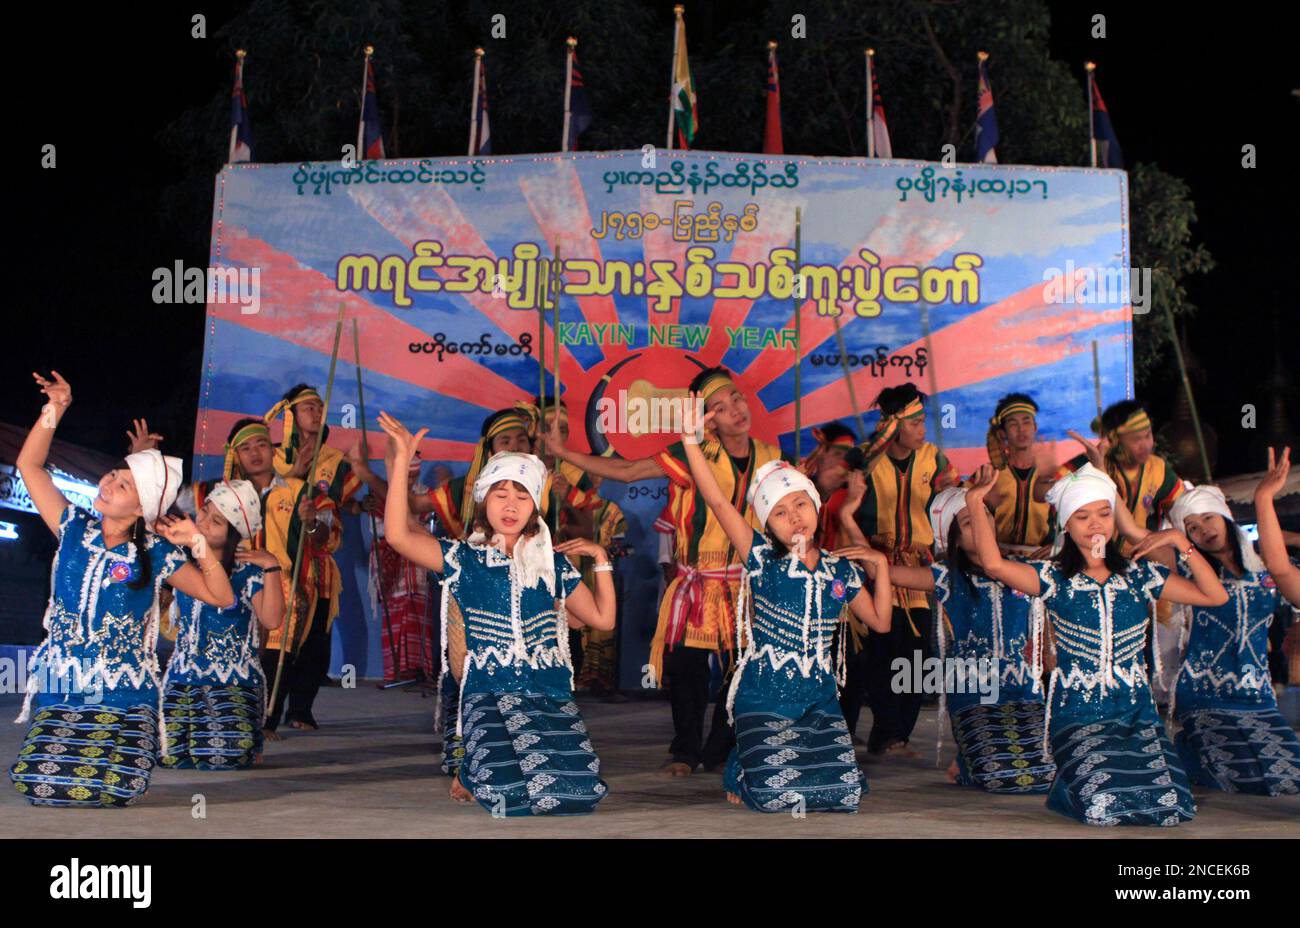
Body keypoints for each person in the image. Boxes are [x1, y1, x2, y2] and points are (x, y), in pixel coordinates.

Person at [543, 366, 787, 776]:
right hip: (699, 580)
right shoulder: (693, 452)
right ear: (705, 417)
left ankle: (720, 749)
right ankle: (685, 752)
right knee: (688, 671)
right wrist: (564, 454)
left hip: (749, 583)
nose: (734, 411)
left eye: (736, 399)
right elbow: (630, 471)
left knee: (744, 671)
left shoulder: (772, 456)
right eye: (719, 407)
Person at [9, 372, 236, 807]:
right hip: (62, 686)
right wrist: (55, 407)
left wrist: (199, 545)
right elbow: (29, 467)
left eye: (123, 484)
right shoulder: (73, 527)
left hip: (123, 696)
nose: (108, 484)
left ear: (141, 508)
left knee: (110, 789)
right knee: (37, 785)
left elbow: (221, 597)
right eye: (112, 475)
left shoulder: (156, 554)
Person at [378, 411, 616, 815]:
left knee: (574, 797)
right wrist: (402, 461)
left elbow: (602, 620)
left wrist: (601, 558)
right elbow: (399, 535)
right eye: (500, 494)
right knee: (510, 799)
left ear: (535, 506)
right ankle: (473, 766)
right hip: (490, 694)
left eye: (522, 496)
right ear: (483, 499)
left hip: (547, 694)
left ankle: (475, 768)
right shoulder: (463, 559)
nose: (511, 505)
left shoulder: (551, 564)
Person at [965, 461, 1228, 825]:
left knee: (1169, 807)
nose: (1095, 524)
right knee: (1104, 804)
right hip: (1078, 715)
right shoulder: (1053, 578)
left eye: (1104, 513)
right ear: (1066, 526)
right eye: (1082, 516)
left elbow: (1215, 596)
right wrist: (976, 502)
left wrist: (1181, 542)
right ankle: (1069, 787)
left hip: (1137, 714)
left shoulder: (1140, 577)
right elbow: (993, 565)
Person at [677, 400, 891, 811]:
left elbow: (880, 621)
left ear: (815, 506)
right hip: (765, 696)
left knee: (843, 794)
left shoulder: (839, 571)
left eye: (800, 505)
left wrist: (879, 566)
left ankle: (772, 761)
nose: (794, 517)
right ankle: (741, 765)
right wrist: (691, 442)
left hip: (818, 698)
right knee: (779, 794)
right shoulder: (760, 556)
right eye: (779, 512)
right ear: (766, 524)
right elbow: (719, 503)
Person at [852, 484, 1056, 792]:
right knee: (999, 776)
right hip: (974, 692)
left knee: (1050, 770)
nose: (983, 521)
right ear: (955, 540)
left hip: (1023, 692)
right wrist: (847, 519)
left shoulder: (1024, 569)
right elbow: (882, 570)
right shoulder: (947, 576)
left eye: (985, 513)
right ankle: (969, 761)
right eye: (970, 521)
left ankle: (967, 759)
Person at [1150, 449, 1300, 795]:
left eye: (1208, 519)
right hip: (1203, 698)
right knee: (1239, 778)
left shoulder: (1265, 571)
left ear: (1226, 517)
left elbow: (1281, 567)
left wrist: (1264, 496)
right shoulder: (1188, 571)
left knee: (1287, 780)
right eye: (1192, 527)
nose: (1203, 529)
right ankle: (1189, 747)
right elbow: (1136, 537)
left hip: (1258, 700)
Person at [850, 383, 958, 756]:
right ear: (892, 425)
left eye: (921, 420)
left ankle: (899, 734)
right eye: (912, 422)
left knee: (916, 655)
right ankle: (883, 733)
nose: (921, 429)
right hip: (873, 567)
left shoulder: (933, 458)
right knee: (880, 651)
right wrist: (884, 433)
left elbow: (951, 497)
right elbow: (856, 468)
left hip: (915, 566)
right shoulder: (866, 458)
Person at [161, 480, 285, 769]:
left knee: (223, 758)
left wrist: (272, 567)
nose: (202, 522)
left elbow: (272, 619)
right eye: (203, 512)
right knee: (170, 757)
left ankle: (247, 736)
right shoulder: (182, 564)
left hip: (232, 683)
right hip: (183, 681)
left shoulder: (246, 573)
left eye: (216, 521)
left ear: (233, 534)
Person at [263, 384, 360, 729]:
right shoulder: (273, 457)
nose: (316, 413)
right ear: (291, 415)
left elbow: (333, 505)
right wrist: (292, 473)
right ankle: (268, 715)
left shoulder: (334, 461)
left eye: (320, 407)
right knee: (278, 642)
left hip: (317, 564)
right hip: (277, 564)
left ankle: (301, 710)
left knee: (316, 641)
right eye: (308, 408)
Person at [1053, 400, 1184, 534]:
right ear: (1115, 441)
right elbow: (1052, 502)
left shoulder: (1157, 468)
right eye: (1136, 439)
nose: (1145, 446)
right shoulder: (1083, 466)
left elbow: (1179, 509)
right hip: (1094, 550)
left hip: (1143, 550)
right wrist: (1060, 541)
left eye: (1148, 435)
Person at [984, 393, 1053, 550]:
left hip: (1041, 558)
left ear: (1034, 427)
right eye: (1013, 424)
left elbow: (1071, 516)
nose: (1021, 430)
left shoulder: (1050, 474)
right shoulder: (988, 474)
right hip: (996, 556)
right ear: (1003, 433)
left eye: (1026, 421)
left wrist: (1057, 547)